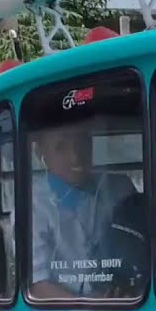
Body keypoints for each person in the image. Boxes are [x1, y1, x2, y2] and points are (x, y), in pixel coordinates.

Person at [29, 124, 141, 300]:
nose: (75, 157)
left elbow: (141, 251)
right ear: (40, 153)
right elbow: (36, 285)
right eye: (60, 147)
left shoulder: (119, 187)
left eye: (83, 141)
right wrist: (90, 306)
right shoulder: (32, 205)